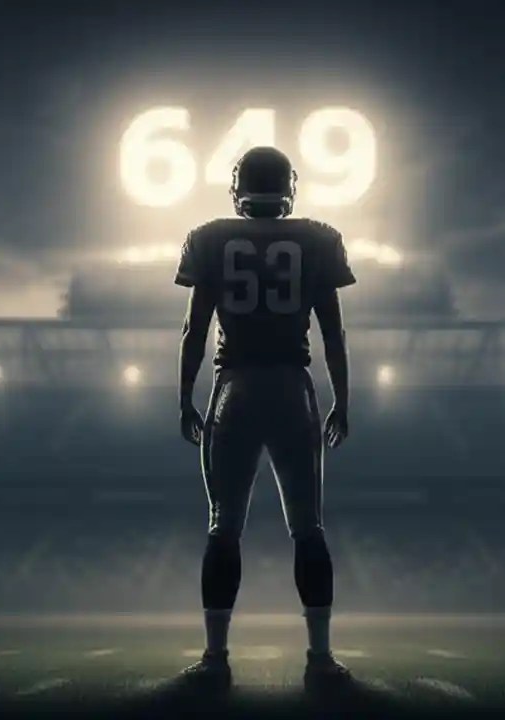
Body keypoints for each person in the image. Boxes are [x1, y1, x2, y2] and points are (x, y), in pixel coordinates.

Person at [173, 146, 356, 692]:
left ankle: (214, 657)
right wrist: (342, 400)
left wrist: (184, 398)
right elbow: (333, 334)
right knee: (308, 529)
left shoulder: (208, 237)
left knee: (222, 526)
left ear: (238, 186)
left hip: (235, 387)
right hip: (291, 388)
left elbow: (195, 332)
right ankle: (320, 658)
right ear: (289, 185)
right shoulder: (319, 237)